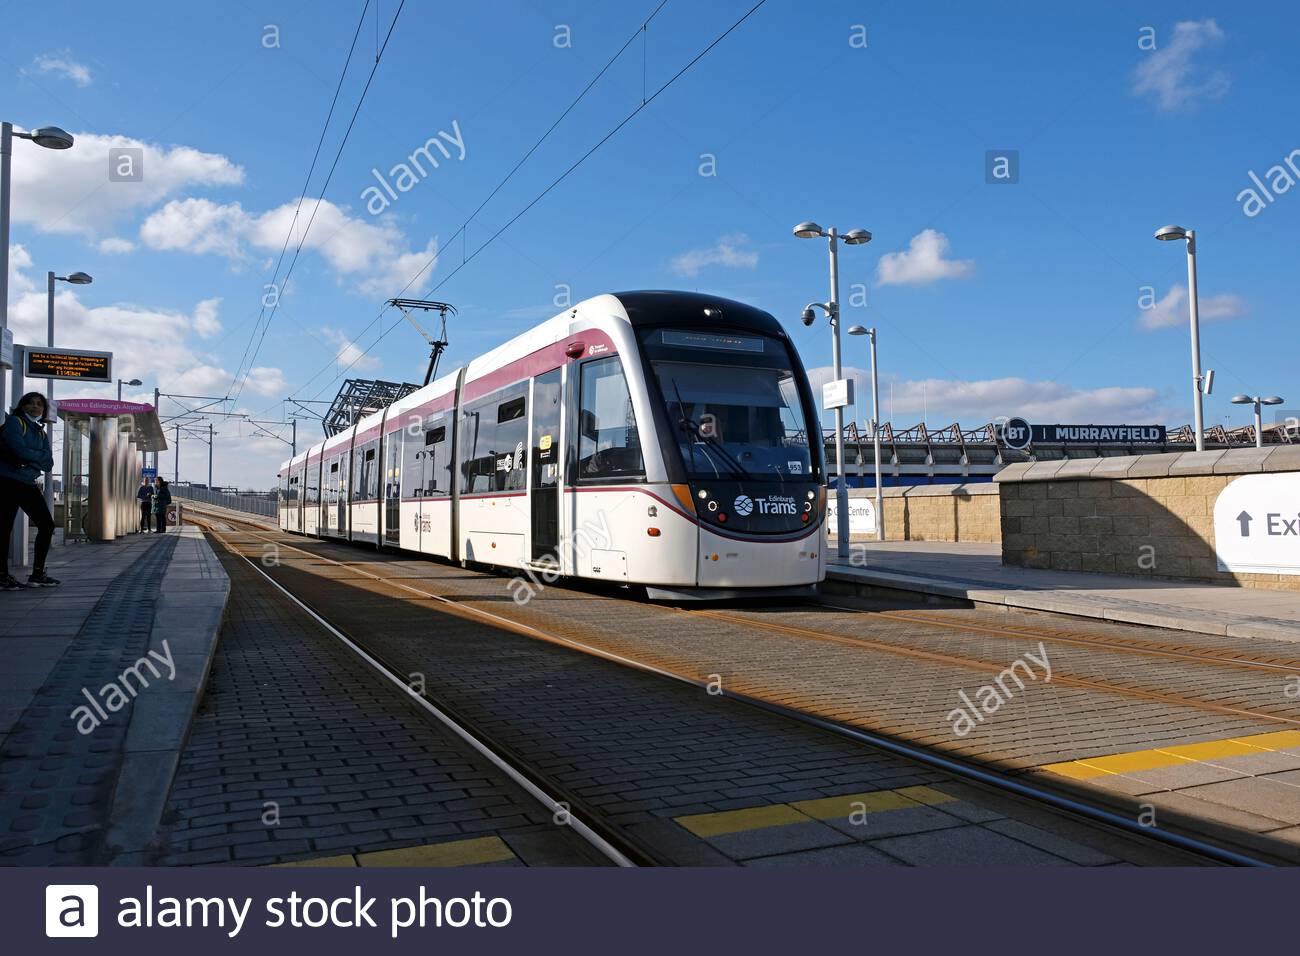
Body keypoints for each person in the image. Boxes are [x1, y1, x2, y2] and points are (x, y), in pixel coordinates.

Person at [0, 391, 59, 589]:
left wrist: (30, 460)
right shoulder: (15, 423)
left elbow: (49, 463)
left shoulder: (40, 431)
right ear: (22, 405)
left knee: (47, 525)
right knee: (4, 527)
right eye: (31, 403)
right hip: (8, 481)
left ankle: (37, 574)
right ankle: (2, 576)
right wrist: (37, 457)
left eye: (39, 404)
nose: (35, 407)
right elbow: (18, 450)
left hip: (27, 481)